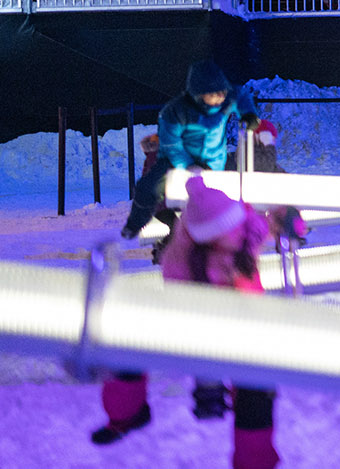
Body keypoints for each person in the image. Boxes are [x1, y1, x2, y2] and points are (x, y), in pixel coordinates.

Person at [92, 179, 281, 466]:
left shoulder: (243, 225)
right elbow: (182, 304)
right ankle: (126, 414)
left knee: (256, 391)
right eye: (224, 236)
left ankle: (255, 462)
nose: (234, 237)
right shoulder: (181, 259)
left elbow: (267, 224)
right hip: (197, 322)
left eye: (234, 228)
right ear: (203, 239)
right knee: (126, 343)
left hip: (246, 323)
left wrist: (287, 219)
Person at [120, 60, 260, 239]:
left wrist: (248, 114)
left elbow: (240, 95)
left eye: (222, 93)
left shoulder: (226, 100)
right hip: (177, 160)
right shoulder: (175, 111)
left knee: (227, 190)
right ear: (199, 94)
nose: (220, 98)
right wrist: (188, 166)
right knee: (147, 187)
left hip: (212, 159)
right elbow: (172, 145)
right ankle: (135, 224)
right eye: (214, 94)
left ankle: (232, 226)